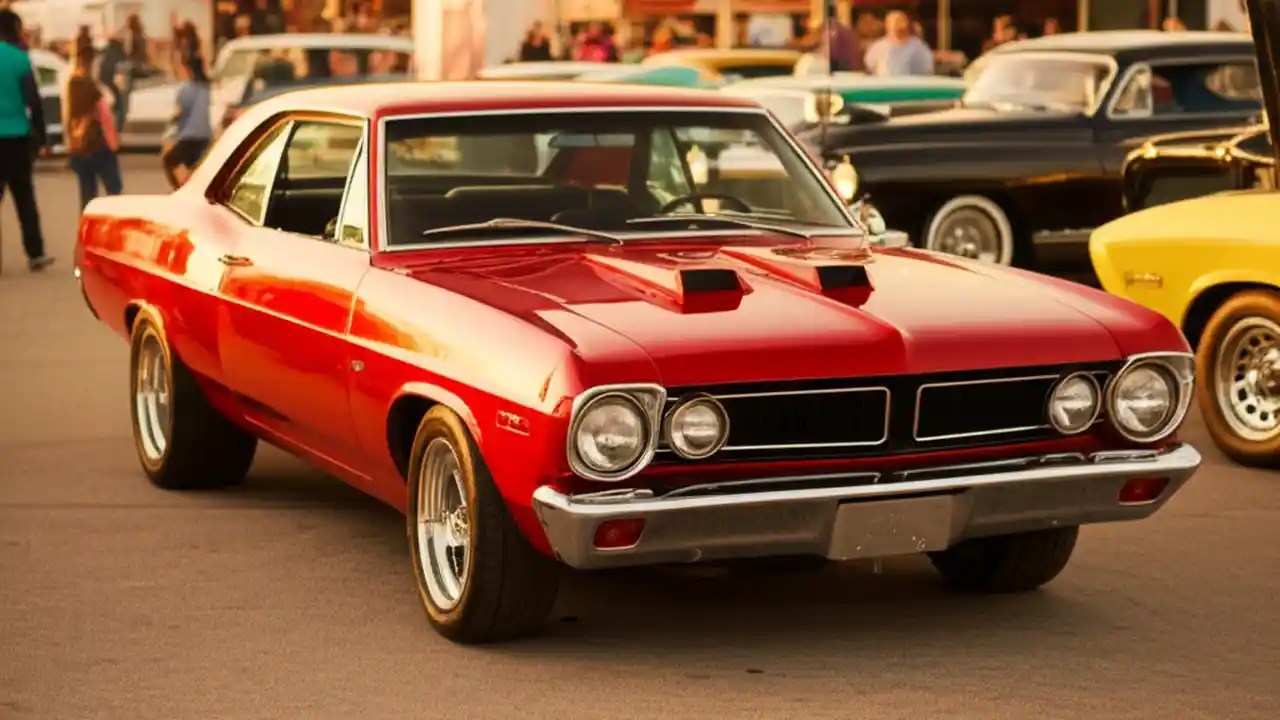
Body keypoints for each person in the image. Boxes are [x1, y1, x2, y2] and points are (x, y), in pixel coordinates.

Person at [0, 8, 53, 272]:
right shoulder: (20, 60)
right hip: (17, 138)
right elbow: (34, 101)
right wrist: (41, 137)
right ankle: (35, 253)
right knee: (25, 199)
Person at [63, 43, 122, 209]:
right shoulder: (92, 86)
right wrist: (113, 141)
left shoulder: (71, 83)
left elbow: (68, 115)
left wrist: (71, 141)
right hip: (99, 143)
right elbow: (105, 117)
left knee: (87, 195)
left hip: (81, 146)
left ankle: (87, 229)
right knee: (114, 189)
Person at [161, 54, 212, 189]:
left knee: (169, 160)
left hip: (189, 136)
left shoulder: (186, 89)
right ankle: (191, 186)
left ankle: (180, 189)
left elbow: (179, 113)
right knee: (192, 164)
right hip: (206, 136)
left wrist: (170, 128)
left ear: (188, 70)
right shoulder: (207, 88)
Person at [863, 11, 933, 76]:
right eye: (894, 21)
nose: (898, 24)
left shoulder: (918, 46)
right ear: (887, 25)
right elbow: (870, 66)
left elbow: (925, 69)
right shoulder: (877, 47)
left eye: (901, 21)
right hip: (884, 86)